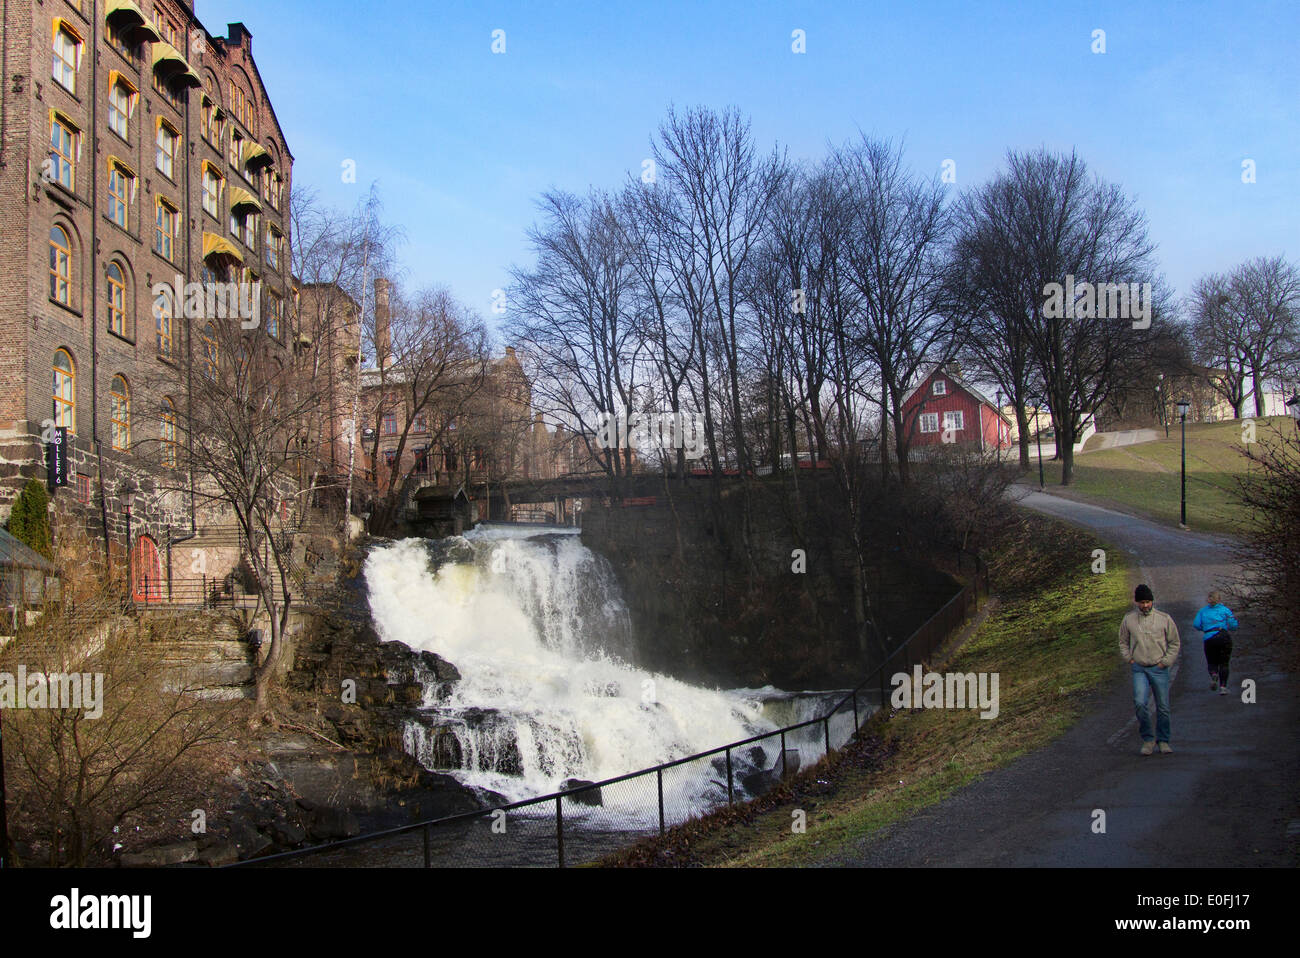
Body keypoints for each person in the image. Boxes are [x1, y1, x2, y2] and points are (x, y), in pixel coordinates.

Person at [1118, 584, 1181, 755]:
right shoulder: (1128, 620)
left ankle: (1164, 740)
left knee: (1163, 706)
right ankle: (1147, 739)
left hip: (1159, 668)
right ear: (1136, 602)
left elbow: (1175, 643)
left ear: (1152, 601)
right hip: (1139, 668)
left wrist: (1165, 662)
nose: (1145, 605)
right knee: (1140, 703)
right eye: (1142, 602)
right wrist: (1129, 659)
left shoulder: (1164, 619)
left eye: (1147, 602)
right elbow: (1123, 642)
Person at [1193, 590, 1238, 695]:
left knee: (1212, 662)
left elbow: (1196, 624)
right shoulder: (1225, 610)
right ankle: (1223, 687)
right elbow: (1233, 625)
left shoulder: (1202, 611)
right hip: (1223, 636)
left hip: (1209, 638)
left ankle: (1213, 674)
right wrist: (1230, 627)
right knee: (1224, 663)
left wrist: (1205, 628)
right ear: (1219, 599)